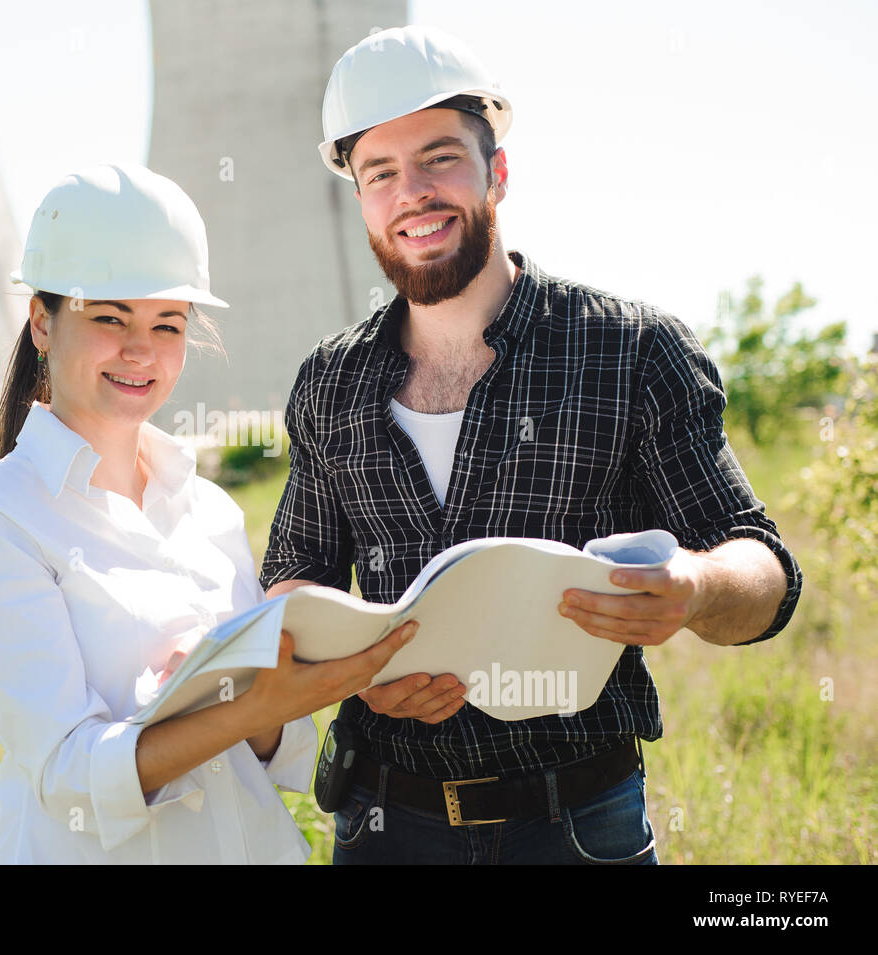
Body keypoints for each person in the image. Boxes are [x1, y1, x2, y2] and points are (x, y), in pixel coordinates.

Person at [260, 26, 804, 864]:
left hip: (579, 823)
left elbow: (766, 574)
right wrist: (361, 674)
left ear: (497, 173)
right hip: (384, 823)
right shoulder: (329, 383)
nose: (413, 193)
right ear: (361, 197)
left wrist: (693, 586)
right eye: (381, 174)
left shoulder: (629, 350)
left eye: (440, 158)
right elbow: (292, 585)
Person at [0, 163, 417, 864]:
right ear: (42, 320)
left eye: (167, 324)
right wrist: (240, 705)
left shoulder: (208, 510)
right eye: (108, 318)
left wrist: (268, 695)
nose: (140, 350)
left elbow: (281, 758)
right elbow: (70, 782)